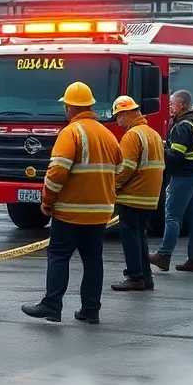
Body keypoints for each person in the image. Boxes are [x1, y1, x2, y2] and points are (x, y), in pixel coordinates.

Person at [22, 81, 121, 324]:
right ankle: (90, 310)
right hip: (100, 213)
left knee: (58, 255)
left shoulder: (71, 132)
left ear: (70, 107)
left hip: (70, 212)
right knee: (93, 259)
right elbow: (120, 169)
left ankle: (52, 305)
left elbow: (57, 172)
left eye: (66, 106)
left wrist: (47, 200)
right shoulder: (107, 134)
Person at [108, 95, 165, 292]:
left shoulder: (132, 135)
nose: (117, 122)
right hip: (149, 195)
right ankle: (145, 276)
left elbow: (125, 168)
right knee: (140, 235)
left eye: (117, 117)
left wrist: (112, 186)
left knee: (130, 236)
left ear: (125, 114)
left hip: (132, 195)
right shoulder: (152, 133)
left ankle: (135, 276)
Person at [149, 90, 193, 274]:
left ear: (181, 104)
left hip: (183, 177)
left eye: (172, 103)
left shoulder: (182, 126)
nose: (170, 107)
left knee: (173, 217)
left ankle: (164, 256)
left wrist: (160, 147)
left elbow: (176, 156)